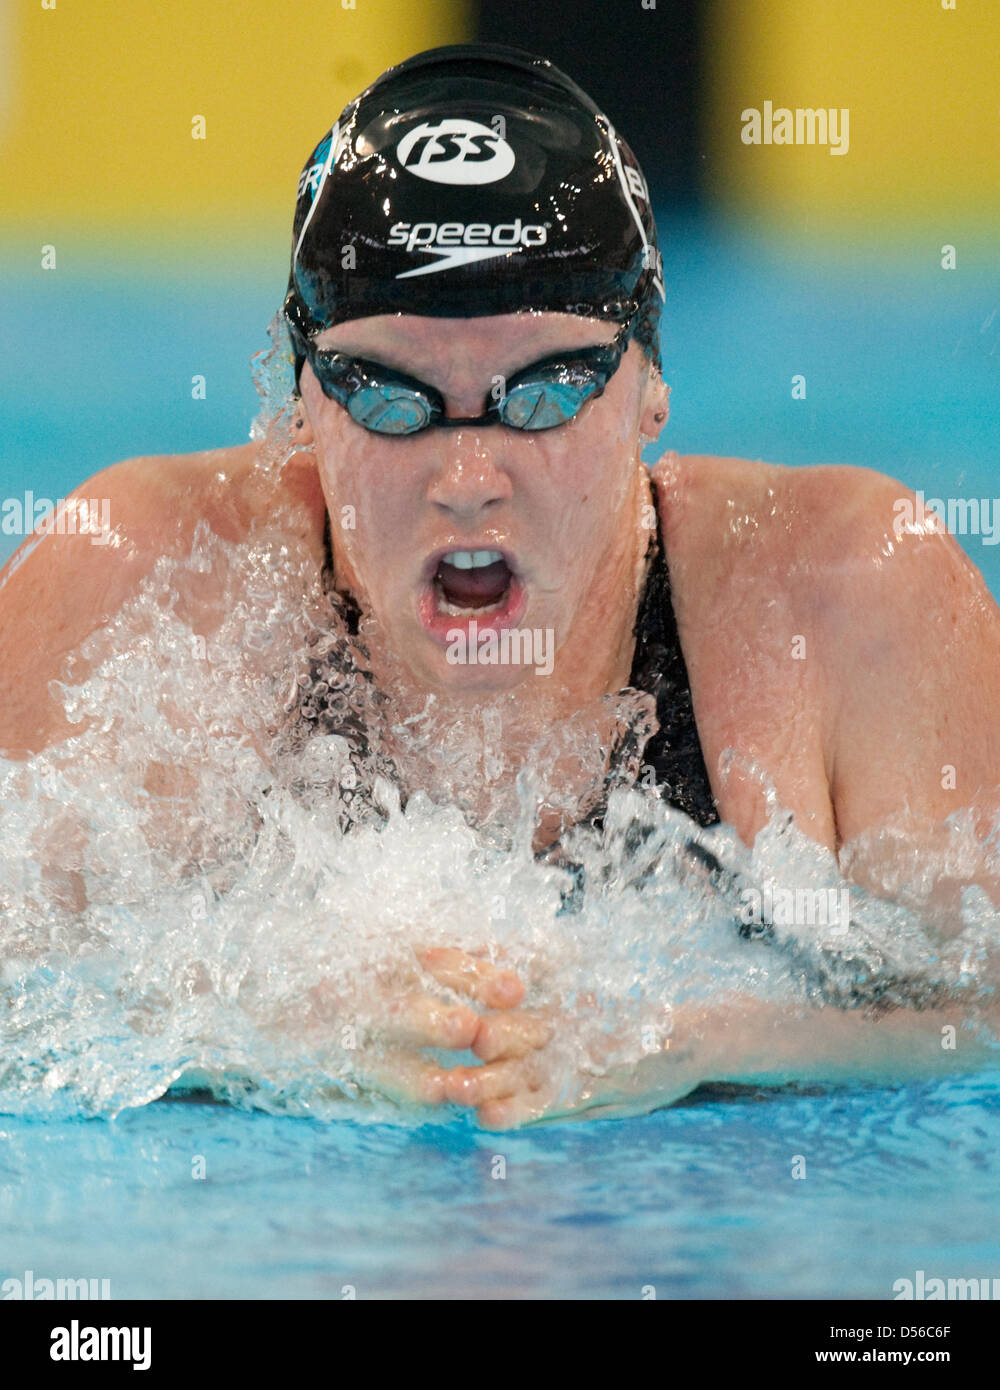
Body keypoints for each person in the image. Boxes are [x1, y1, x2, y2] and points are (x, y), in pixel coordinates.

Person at [2, 44, 999, 1127]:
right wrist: (260, 1027)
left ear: (651, 386)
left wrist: (698, 1036)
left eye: (544, 394)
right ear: (301, 404)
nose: (469, 480)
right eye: (391, 399)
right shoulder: (146, 584)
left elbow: (981, 1007)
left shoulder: (847, 590)